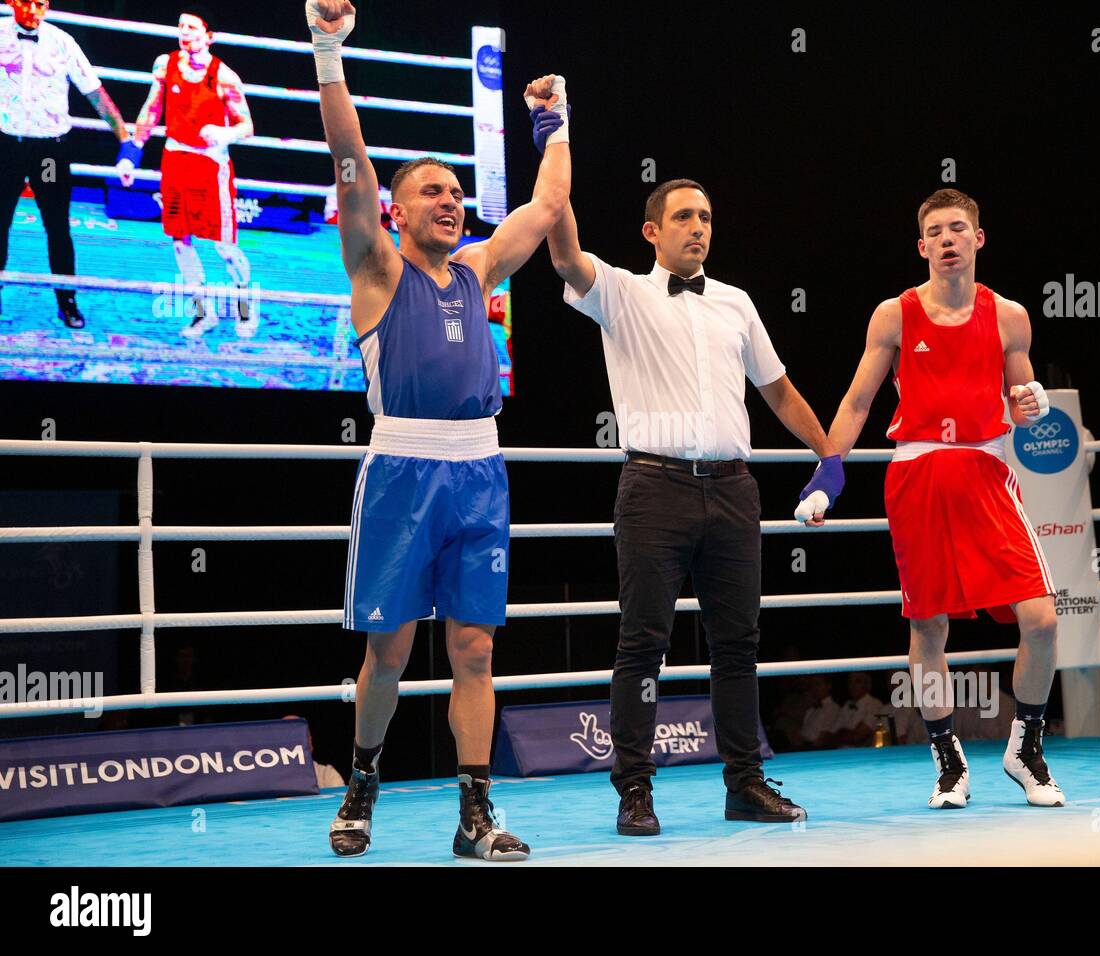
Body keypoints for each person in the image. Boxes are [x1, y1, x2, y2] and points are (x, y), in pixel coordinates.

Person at [308, 0, 570, 861]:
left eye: (459, 193)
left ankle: (475, 815)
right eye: (435, 191)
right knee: (388, 656)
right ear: (396, 208)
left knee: (476, 649)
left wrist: (553, 122)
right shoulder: (375, 266)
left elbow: (547, 204)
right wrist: (329, 50)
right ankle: (363, 779)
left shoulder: (479, 266)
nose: (453, 203)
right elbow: (349, 157)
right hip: (400, 470)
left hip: (479, 472)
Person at [548, 178, 841, 835]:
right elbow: (565, 255)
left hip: (735, 489)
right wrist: (555, 155)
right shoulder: (622, 292)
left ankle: (744, 784)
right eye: (683, 216)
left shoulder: (736, 303)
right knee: (643, 643)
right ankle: (634, 789)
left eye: (706, 216)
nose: (698, 227)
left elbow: (780, 391)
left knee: (738, 644)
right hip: (655, 487)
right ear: (652, 230)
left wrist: (831, 456)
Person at [818, 188, 1065, 809]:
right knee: (928, 628)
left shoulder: (1009, 316)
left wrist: (1033, 406)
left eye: (959, 228)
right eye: (937, 231)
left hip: (986, 472)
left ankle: (1025, 747)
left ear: (978, 239)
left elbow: (1024, 402)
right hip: (918, 473)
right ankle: (948, 761)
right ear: (922, 245)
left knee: (1040, 619)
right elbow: (856, 402)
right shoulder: (894, 315)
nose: (948, 239)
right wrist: (829, 468)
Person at [116, 9, 257, 338]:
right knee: (180, 240)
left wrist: (224, 134)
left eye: (193, 27)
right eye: (181, 26)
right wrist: (132, 152)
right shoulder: (165, 64)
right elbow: (152, 108)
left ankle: (246, 308)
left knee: (224, 245)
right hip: (175, 160)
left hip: (210, 165)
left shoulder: (224, 77)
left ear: (209, 36)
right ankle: (201, 313)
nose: (185, 32)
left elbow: (247, 126)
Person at [0, 0, 132, 327]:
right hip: (6, 147)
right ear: (11, 2)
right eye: (26, 2)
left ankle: (67, 300)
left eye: (40, 4)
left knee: (57, 225)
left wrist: (126, 142)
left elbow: (95, 94)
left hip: (49, 151)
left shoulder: (62, 41)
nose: (33, 11)